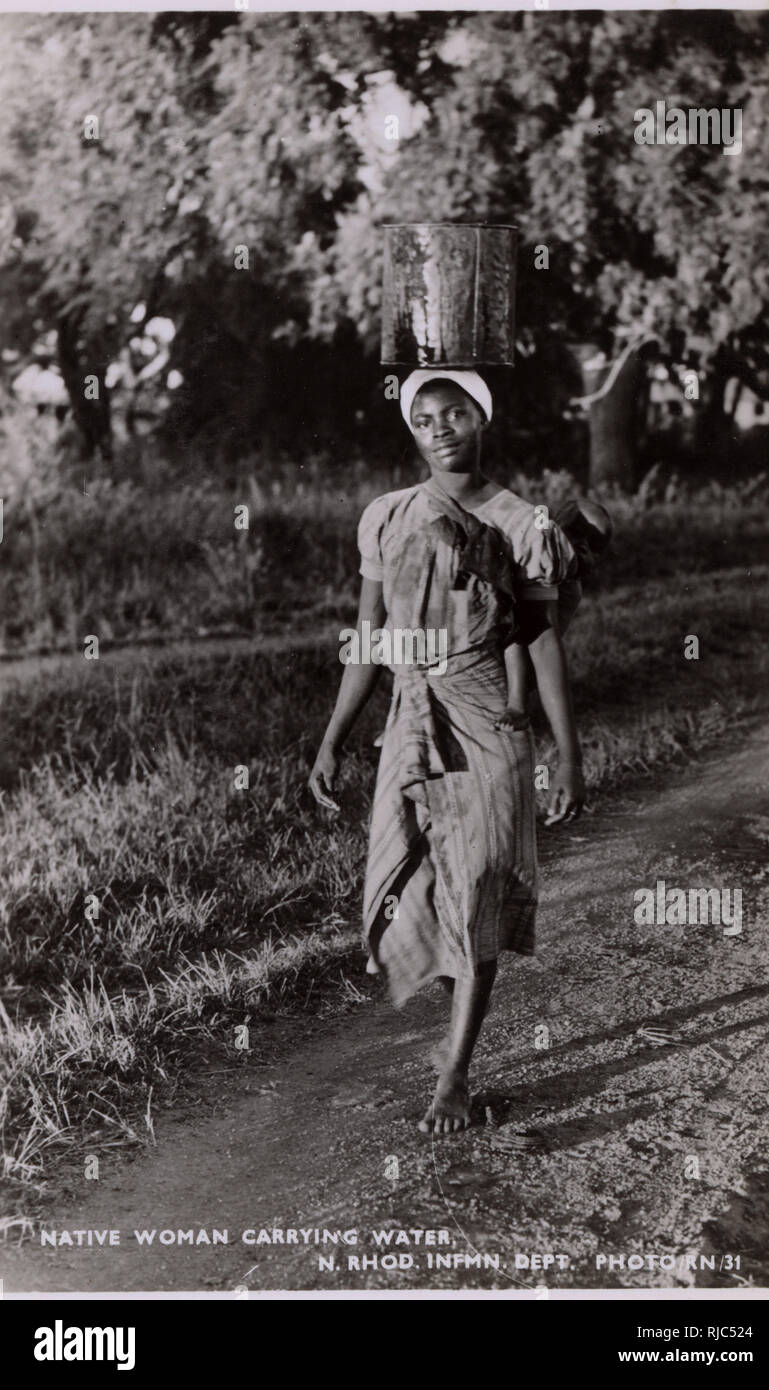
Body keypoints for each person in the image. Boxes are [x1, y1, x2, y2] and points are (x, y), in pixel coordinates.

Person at [309, 369, 586, 1135]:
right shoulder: (387, 515)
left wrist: (567, 756)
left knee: (478, 890)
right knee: (421, 887)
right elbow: (369, 636)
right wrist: (332, 739)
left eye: (455, 413)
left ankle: (455, 1074)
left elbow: (541, 641)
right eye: (424, 418)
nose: (439, 429)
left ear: (481, 418)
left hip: (487, 721)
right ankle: (458, 1020)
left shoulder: (521, 523)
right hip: (409, 716)